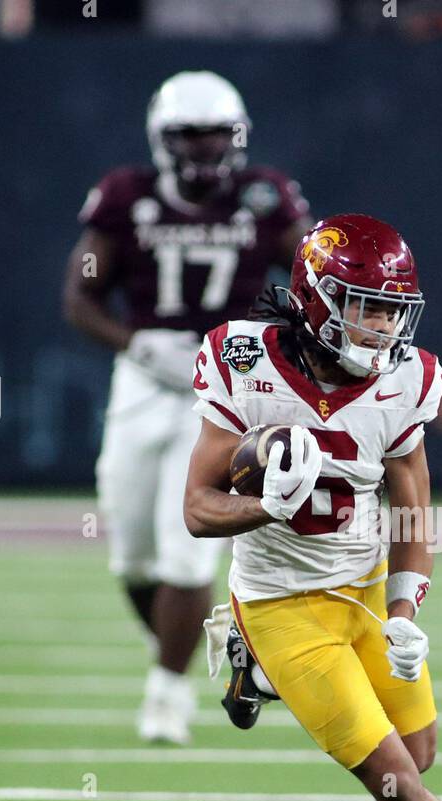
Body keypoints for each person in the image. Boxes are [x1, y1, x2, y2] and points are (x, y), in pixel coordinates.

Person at [183, 213, 442, 801]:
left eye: (392, 311)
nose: (381, 328)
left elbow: (413, 511)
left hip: (366, 588)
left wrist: (404, 613)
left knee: (420, 752)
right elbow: (196, 507)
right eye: (365, 307)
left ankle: (249, 663)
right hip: (283, 603)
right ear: (317, 300)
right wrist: (263, 509)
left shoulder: (406, 380)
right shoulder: (243, 362)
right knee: (396, 782)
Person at [63, 71, 311, 743]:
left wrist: (275, 346)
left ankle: (165, 697)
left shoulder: (266, 196)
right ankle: (225, 645)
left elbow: (316, 277)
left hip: (229, 382)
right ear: (162, 140)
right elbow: (80, 297)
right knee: (133, 556)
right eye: (191, 135)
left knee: (185, 551)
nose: (205, 148)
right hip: (147, 376)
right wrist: (138, 345)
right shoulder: (126, 197)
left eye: (216, 134)